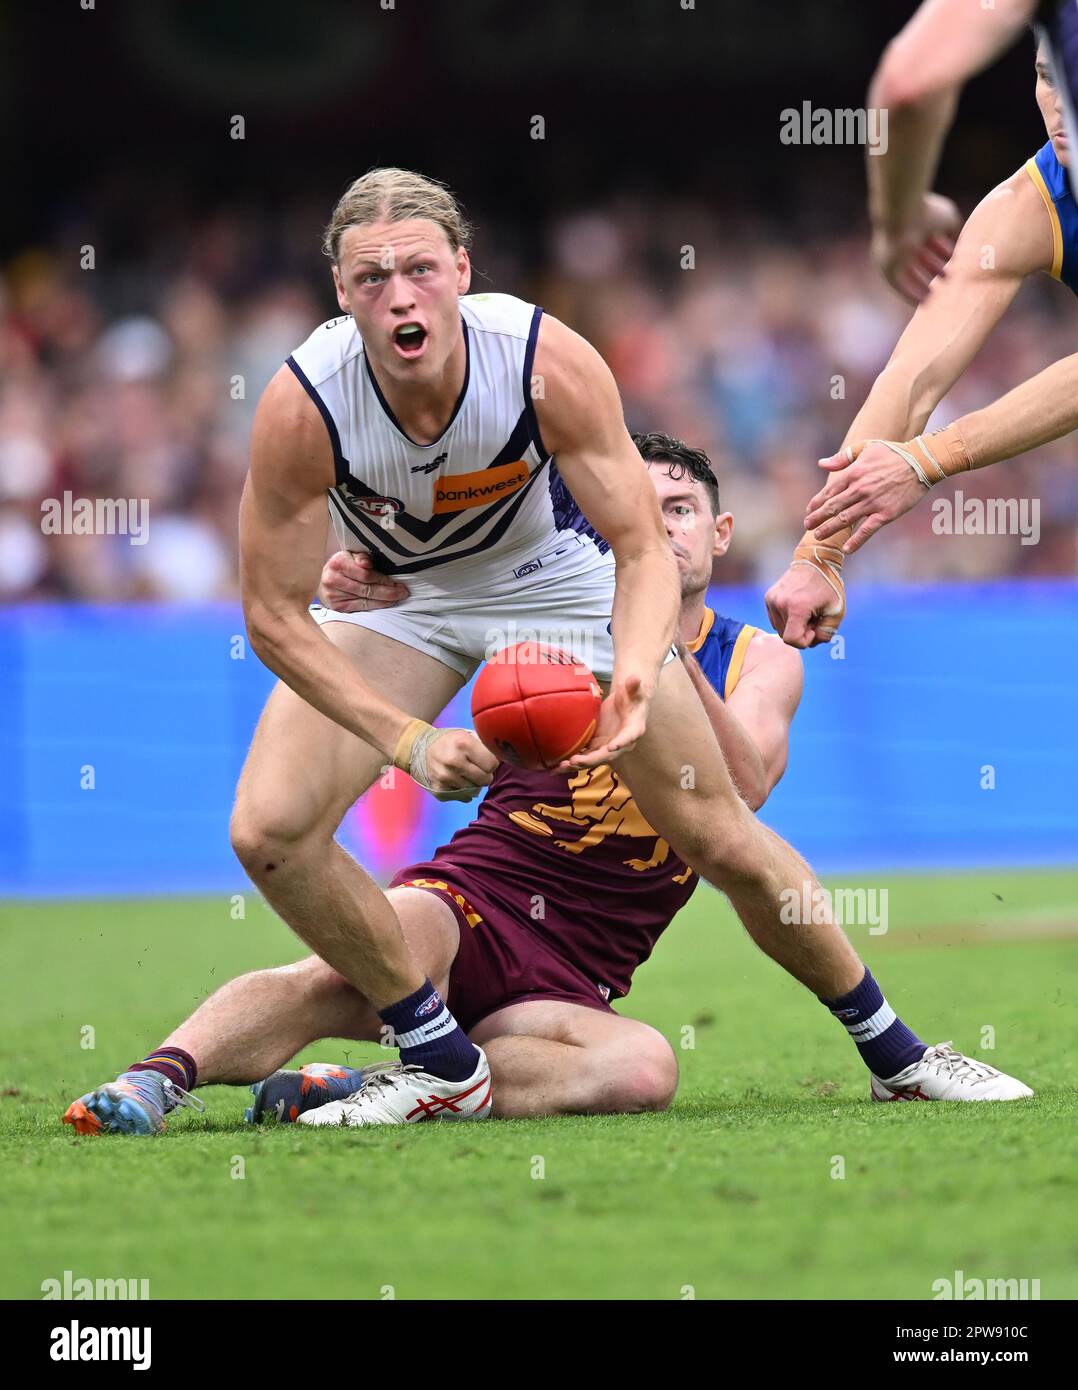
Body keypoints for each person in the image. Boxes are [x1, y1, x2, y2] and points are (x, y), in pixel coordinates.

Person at [62, 436, 1030, 1136]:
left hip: (581, 971)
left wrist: (649, 634)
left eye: (680, 509)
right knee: (334, 971)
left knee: (643, 1068)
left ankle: (375, 1086)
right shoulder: (549, 621)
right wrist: (361, 579)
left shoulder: (758, 658)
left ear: (721, 530)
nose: (660, 526)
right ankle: (154, 1081)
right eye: (638, 512)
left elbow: (746, 789)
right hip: (473, 899)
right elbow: (431, 603)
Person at [767, 34, 1078, 646]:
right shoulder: (1026, 207)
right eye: (1048, 77)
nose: (1060, 103)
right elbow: (913, 379)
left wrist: (929, 460)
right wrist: (819, 554)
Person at [865, 0, 1078, 302]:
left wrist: (898, 223)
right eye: (1048, 78)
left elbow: (906, 84)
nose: (1060, 103)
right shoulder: (1032, 196)